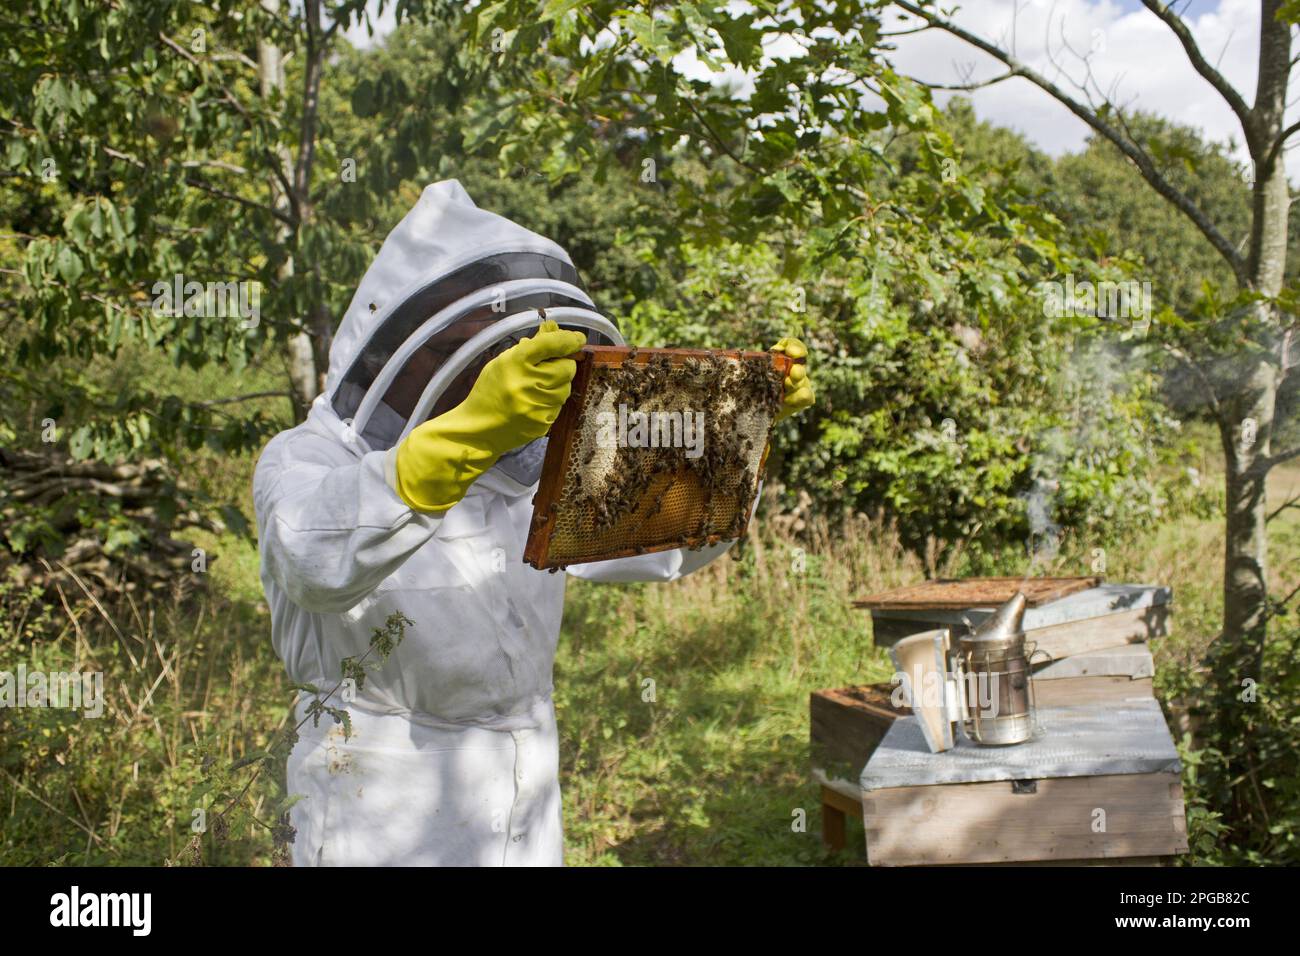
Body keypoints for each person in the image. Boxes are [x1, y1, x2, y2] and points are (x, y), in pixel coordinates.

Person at [253, 180, 815, 866]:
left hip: (525, 792)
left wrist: (734, 440)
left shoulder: (520, 473)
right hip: (380, 805)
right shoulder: (308, 458)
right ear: (395, 349)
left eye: (497, 348)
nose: (483, 368)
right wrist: (465, 436)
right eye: (462, 347)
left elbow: (653, 538)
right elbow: (311, 557)